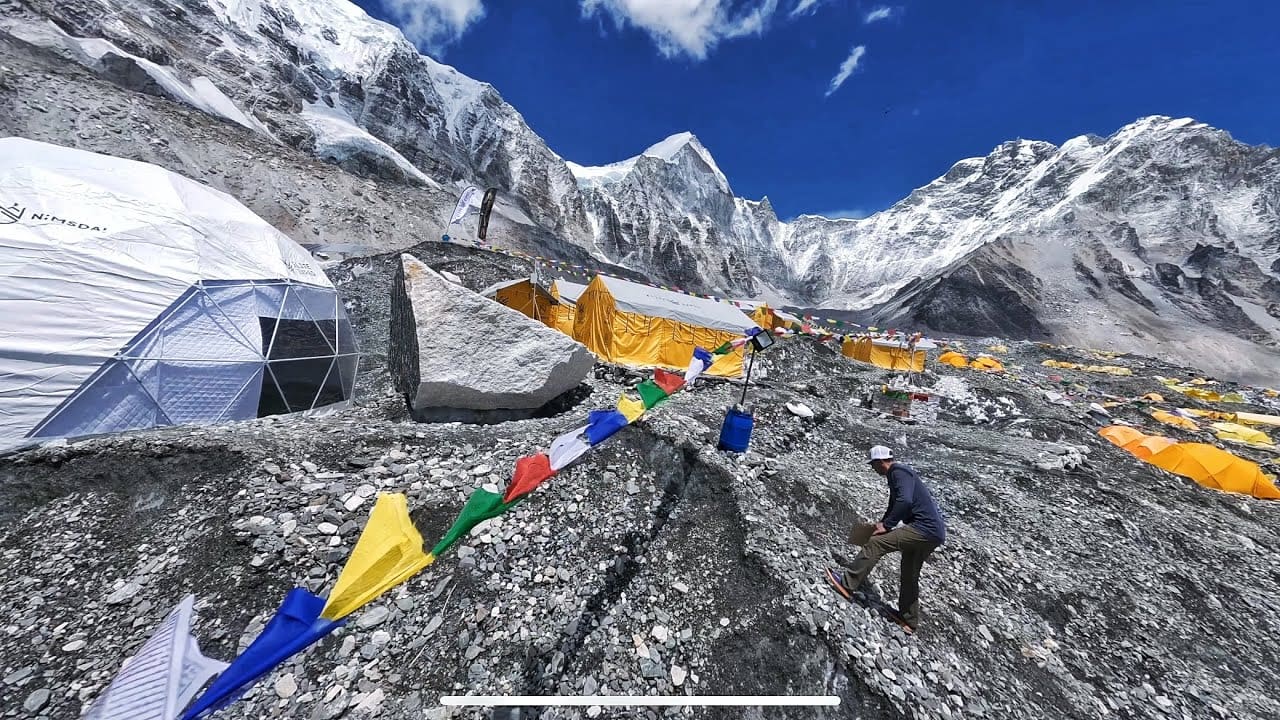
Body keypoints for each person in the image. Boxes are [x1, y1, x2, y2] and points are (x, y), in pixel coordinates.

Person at [825, 445, 946, 632]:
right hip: (934, 533)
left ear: (880, 462)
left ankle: (847, 584)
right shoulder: (898, 475)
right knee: (909, 573)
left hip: (923, 528)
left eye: (873, 465)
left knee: (877, 543)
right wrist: (881, 523)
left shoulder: (899, 472)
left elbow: (904, 501)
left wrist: (887, 526)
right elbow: (894, 504)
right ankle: (908, 620)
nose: (873, 469)